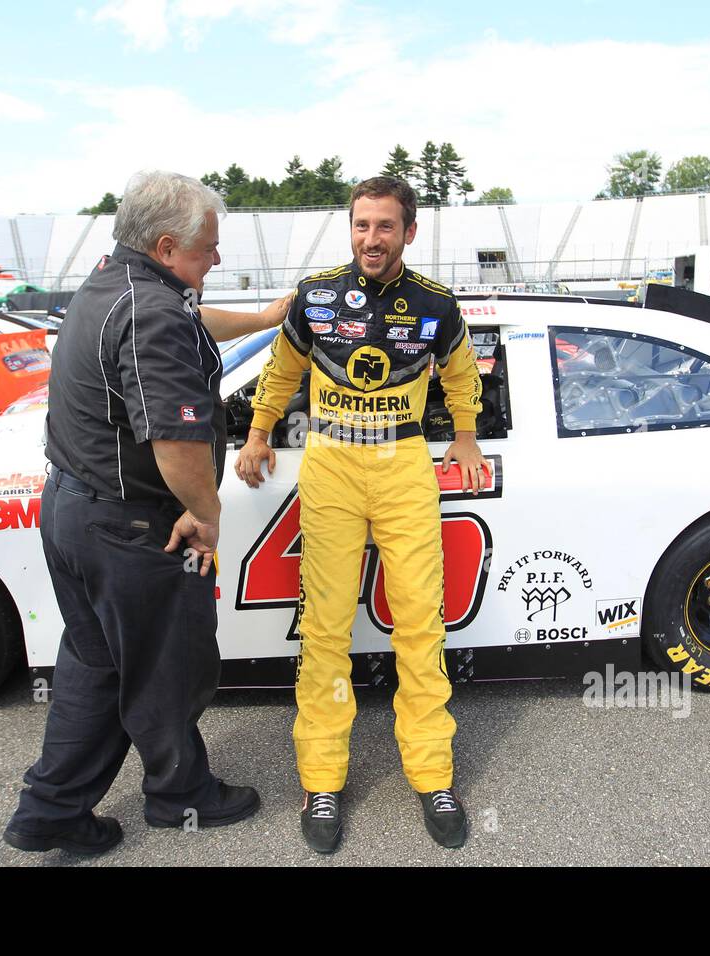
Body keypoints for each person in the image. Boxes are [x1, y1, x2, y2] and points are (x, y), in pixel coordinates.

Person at [3, 170, 287, 855]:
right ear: (166, 246)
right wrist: (206, 513)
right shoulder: (154, 313)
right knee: (169, 665)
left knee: (95, 665)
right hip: (135, 527)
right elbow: (177, 440)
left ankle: (50, 811)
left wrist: (263, 319)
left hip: (76, 510)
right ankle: (181, 794)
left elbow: (194, 315)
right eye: (207, 248)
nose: (217, 260)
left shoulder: (114, 281)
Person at [234, 176, 486, 853]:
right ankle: (321, 780)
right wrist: (258, 433)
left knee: (419, 625)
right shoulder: (316, 296)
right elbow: (281, 373)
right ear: (350, 229)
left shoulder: (436, 303)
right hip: (331, 464)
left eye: (384, 226)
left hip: (404, 465)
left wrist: (464, 433)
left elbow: (461, 373)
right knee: (324, 631)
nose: (370, 238)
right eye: (361, 225)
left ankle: (432, 774)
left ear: (409, 231)